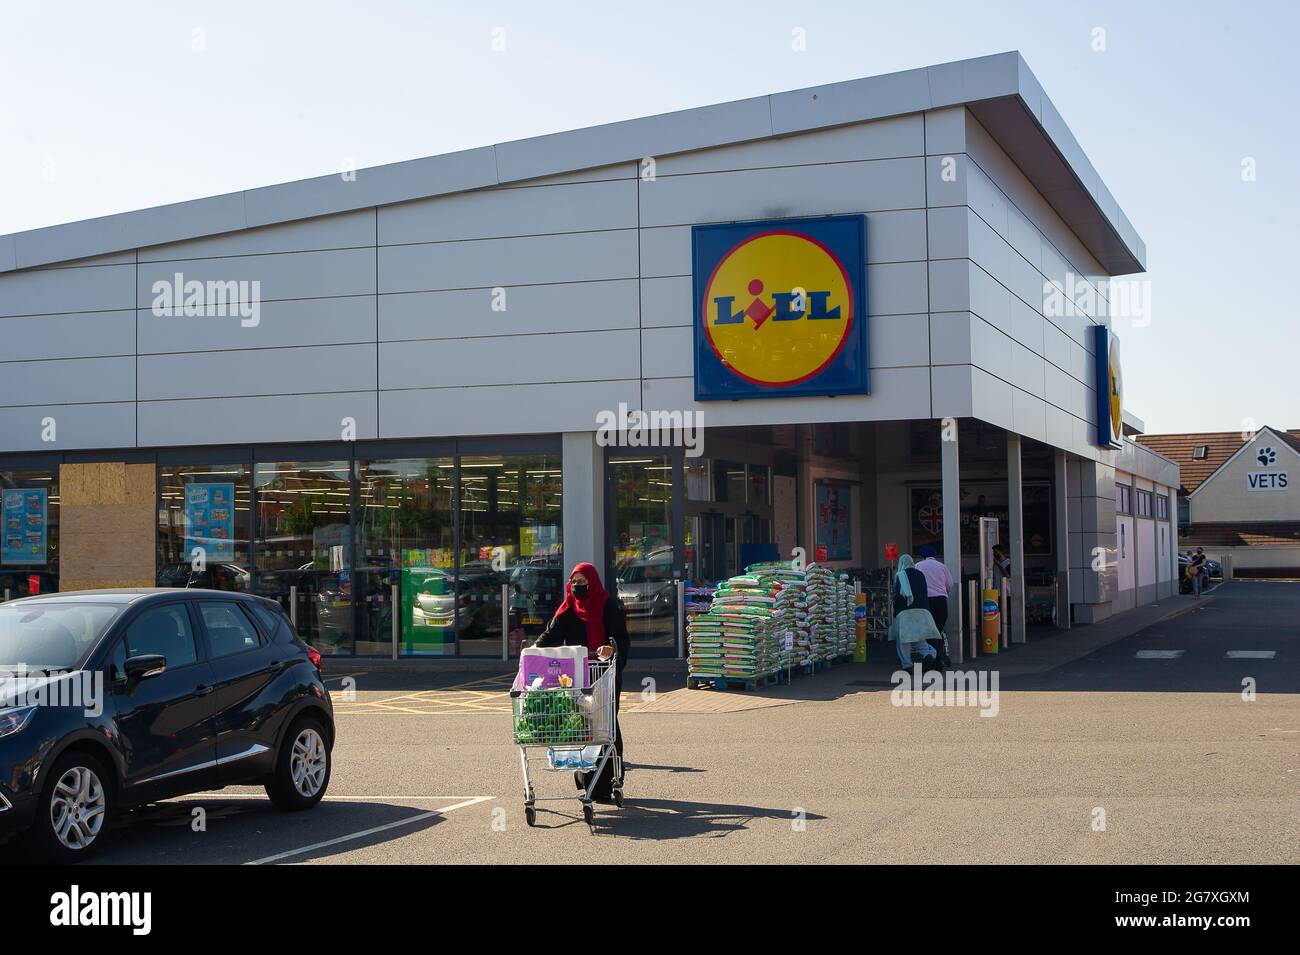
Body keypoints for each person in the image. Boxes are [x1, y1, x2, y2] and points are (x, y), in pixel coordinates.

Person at [533, 562, 629, 801]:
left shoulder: (607, 606)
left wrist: (611, 648)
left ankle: (608, 779)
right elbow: (552, 634)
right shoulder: (568, 609)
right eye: (574, 583)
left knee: (605, 728)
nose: (577, 588)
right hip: (576, 678)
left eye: (583, 583)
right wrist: (533, 650)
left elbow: (621, 638)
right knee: (582, 727)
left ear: (593, 583)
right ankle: (586, 776)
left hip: (604, 676)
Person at [890, 554, 940, 671]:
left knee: (903, 640)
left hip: (905, 612)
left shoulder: (900, 575)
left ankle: (907, 665)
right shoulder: (920, 574)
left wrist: (895, 612)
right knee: (919, 638)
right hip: (922, 611)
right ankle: (929, 654)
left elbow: (898, 596)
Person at [915, 545, 954, 666]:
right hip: (941, 600)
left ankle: (935, 658)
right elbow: (950, 584)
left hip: (926, 601)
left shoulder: (918, 566)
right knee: (938, 629)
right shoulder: (942, 566)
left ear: (922, 556)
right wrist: (944, 592)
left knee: (929, 631)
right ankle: (939, 657)